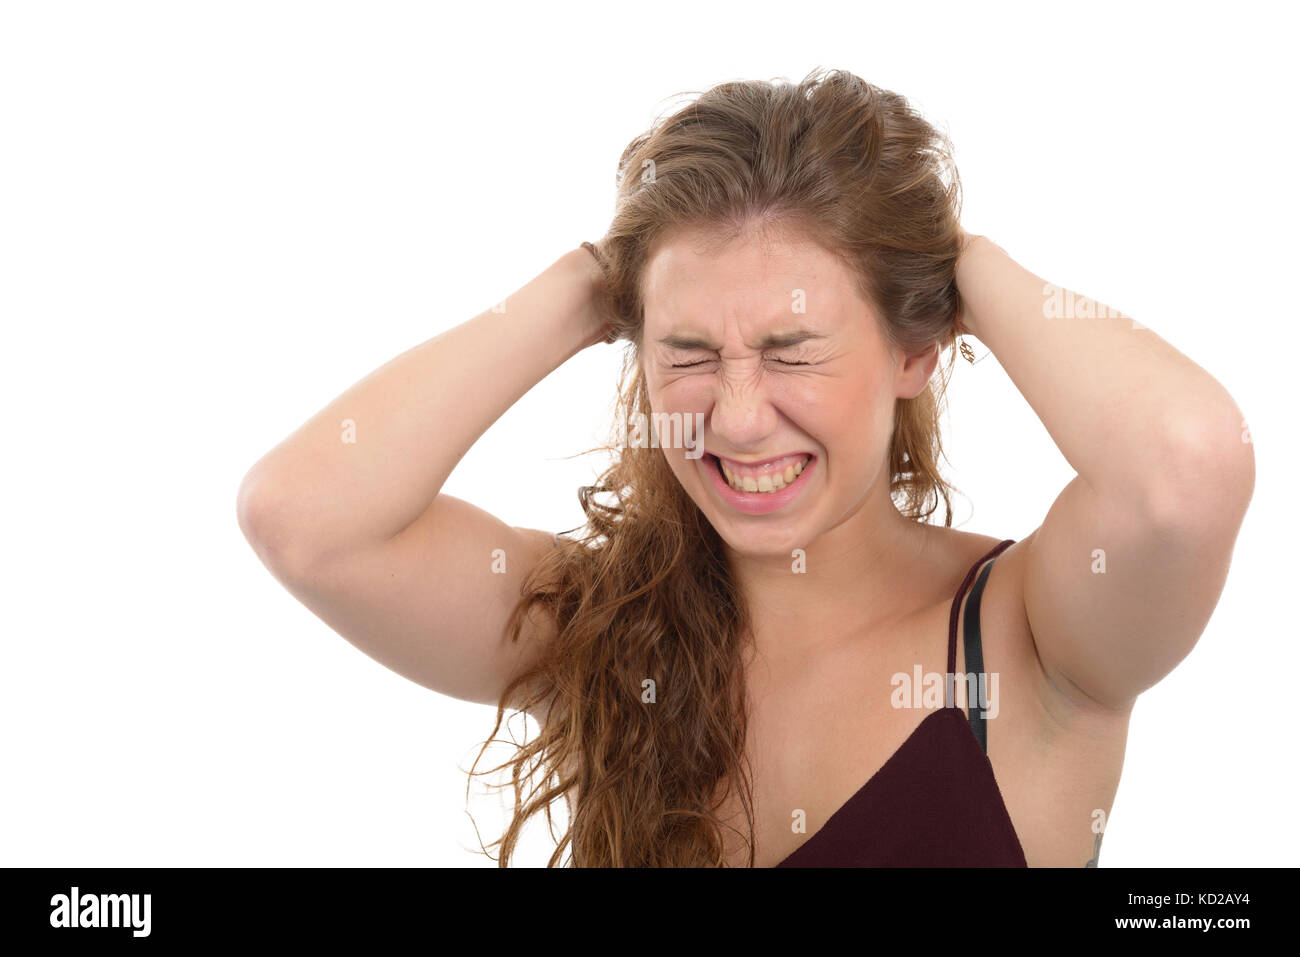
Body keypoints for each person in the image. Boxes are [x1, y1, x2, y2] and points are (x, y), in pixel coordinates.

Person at [235, 68, 1254, 866]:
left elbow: (1187, 468)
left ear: (913, 354)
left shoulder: (1031, 633)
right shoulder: (599, 633)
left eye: (791, 351)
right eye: (685, 353)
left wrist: (954, 262)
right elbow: (302, 517)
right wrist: (599, 281)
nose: (734, 415)